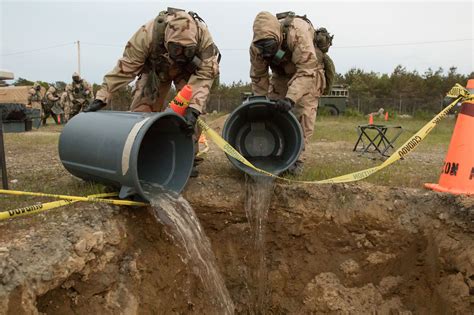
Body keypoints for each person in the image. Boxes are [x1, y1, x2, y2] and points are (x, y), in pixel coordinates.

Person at [84, 7, 220, 177]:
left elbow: (207, 72)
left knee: (189, 116)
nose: (180, 55)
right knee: (141, 113)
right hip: (155, 70)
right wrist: (102, 96)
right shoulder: (147, 35)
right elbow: (126, 68)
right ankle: (141, 155)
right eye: (176, 50)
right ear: (166, 40)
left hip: (188, 73)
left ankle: (187, 157)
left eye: (187, 51)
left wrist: (194, 107)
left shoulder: (203, 36)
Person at [249, 11, 334, 175]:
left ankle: (297, 159)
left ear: (279, 36)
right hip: (281, 74)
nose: (266, 52)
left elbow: (306, 70)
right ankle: (276, 151)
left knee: (302, 113)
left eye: (270, 47)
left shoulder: (297, 32)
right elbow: (259, 77)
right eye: (262, 48)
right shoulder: (256, 47)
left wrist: (290, 99)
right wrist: (260, 102)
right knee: (272, 111)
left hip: (308, 71)